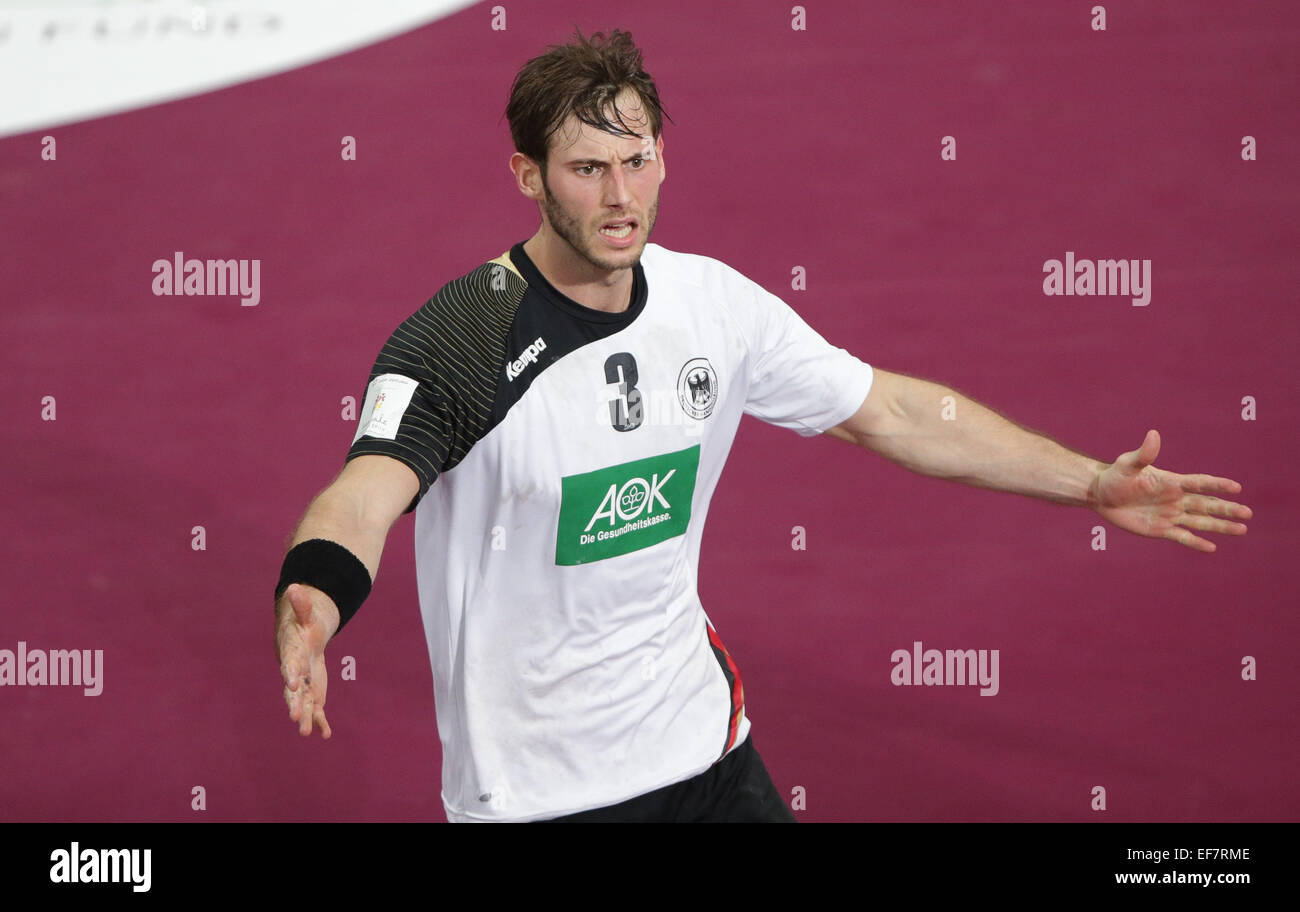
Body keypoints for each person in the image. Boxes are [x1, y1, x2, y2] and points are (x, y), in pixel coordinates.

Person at [273, 29, 1252, 823]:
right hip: (538, 796)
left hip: (707, 755)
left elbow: (892, 412)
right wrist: (314, 593)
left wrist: (1086, 481)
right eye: (585, 169)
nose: (621, 197)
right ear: (527, 175)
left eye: (637, 159)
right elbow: (366, 490)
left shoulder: (711, 305)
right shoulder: (461, 336)